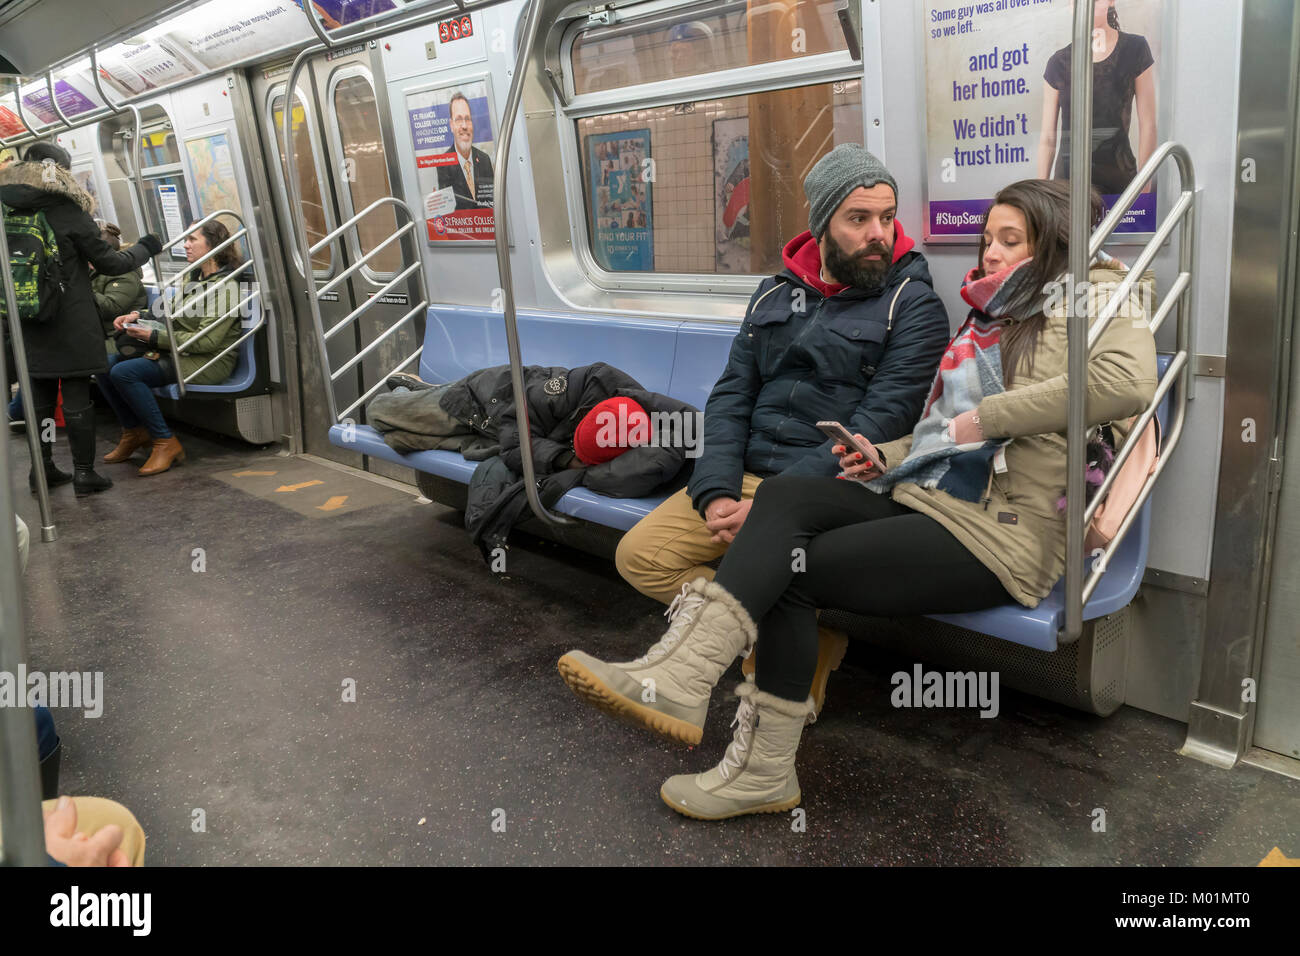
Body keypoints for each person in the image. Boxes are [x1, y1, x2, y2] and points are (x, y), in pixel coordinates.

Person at [559, 179, 1158, 820]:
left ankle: (749, 758)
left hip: (1003, 534)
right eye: (987, 240)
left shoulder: (1103, 291)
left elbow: (1125, 383)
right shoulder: (995, 313)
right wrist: (885, 456)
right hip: (932, 498)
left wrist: (986, 418)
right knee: (787, 500)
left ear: (1056, 241)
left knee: (789, 574)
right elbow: (941, 431)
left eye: (1009, 241)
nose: (988, 255)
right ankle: (684, 677)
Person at [613, 143, 952, 716]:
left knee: (781, 562)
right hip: (744, 476)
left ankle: (743, 660)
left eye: (887, 218)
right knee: (640, 557)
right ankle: (795, 639)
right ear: (821, 225)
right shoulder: (773, 293)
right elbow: (731, 395)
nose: (879, 234)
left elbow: (880, 422)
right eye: (858, 218)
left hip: (826, 492)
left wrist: (773, 505)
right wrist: (717, 487)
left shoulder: (912, 306)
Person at [0, 142, 162, 496]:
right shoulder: (68, 210)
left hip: (27, 316)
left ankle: (41, 470)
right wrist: (147, 246)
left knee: (40, 397)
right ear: (61, 171)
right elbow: (112, 263)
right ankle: (84, 473)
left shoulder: (6, 207)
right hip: (71, 318)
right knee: (76, 397)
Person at [98, 219, 244, 476]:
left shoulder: (226, 287)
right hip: (182, 351)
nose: (185, 245)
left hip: (209, 360)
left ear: (213, 246)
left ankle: (165, 441)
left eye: (192, 240)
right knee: (105, 365)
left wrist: (153, 337)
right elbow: (170, 313)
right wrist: (137, 315)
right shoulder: (195, 278)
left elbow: (207, 341)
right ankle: (133, 431)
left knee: (125, 372)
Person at [1038, 0, 1156, 195]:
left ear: (1110, 1)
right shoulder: (1058, 62)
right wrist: (1038, 196)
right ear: (1070, 6)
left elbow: (1149, 125)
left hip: (1119, 179)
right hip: (1068, 184)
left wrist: (1144, 186)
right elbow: (1047, 138)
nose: (1088, 5)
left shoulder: (1135, 49)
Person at [90, 220, 148, 348]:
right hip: (96, 334)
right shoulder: (93, 271)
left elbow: (112, 308)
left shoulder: (124, 274)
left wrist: (80, 287)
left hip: (116, 337)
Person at [435, 92, 494, 210]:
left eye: (467, 119)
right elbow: (448, 210)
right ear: (451, 125)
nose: (464, 126)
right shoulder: (443, 164)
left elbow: (493, 201)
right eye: (458, 120)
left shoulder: (484, 160)